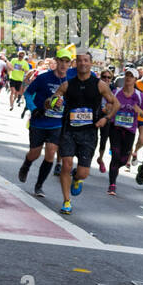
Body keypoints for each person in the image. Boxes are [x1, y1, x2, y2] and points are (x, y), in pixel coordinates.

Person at [50, 52, 120, 215]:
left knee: (83, 173)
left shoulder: (100, 85)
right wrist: (54, 101)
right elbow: (51, 101)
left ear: (90, 63)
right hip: (69, 130)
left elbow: (115, 103)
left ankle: (77, 177)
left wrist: (106, 118)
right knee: (66, 164)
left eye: (86, 61)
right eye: (80, 61)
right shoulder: (67, 85)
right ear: (76, 63)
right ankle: (66, 201)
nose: (83, 63)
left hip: (89, 133)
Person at [18, 55, 70, 196]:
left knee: (51, 153)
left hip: (56, 124)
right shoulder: (43, 77)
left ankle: (39, 185)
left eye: (67, 62)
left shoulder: (70, 81)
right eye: (61, 61)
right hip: (39, 121)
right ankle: (26, 165)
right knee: (34, 153)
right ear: (56, 62)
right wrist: (33, 109)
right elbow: (28, 93)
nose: (64, 65)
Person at [105, 69, 143, 194]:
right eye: (127, 75)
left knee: (123, 160)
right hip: (116, 128)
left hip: (130, 130)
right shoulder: (116, 92)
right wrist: (108, 108)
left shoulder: (139, 96)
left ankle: (114, 169)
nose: (128, 78)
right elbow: (108, 105)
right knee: (116, 155)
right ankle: (112, 184)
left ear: (135, 79)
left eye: (131, 76)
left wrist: (139, 110)